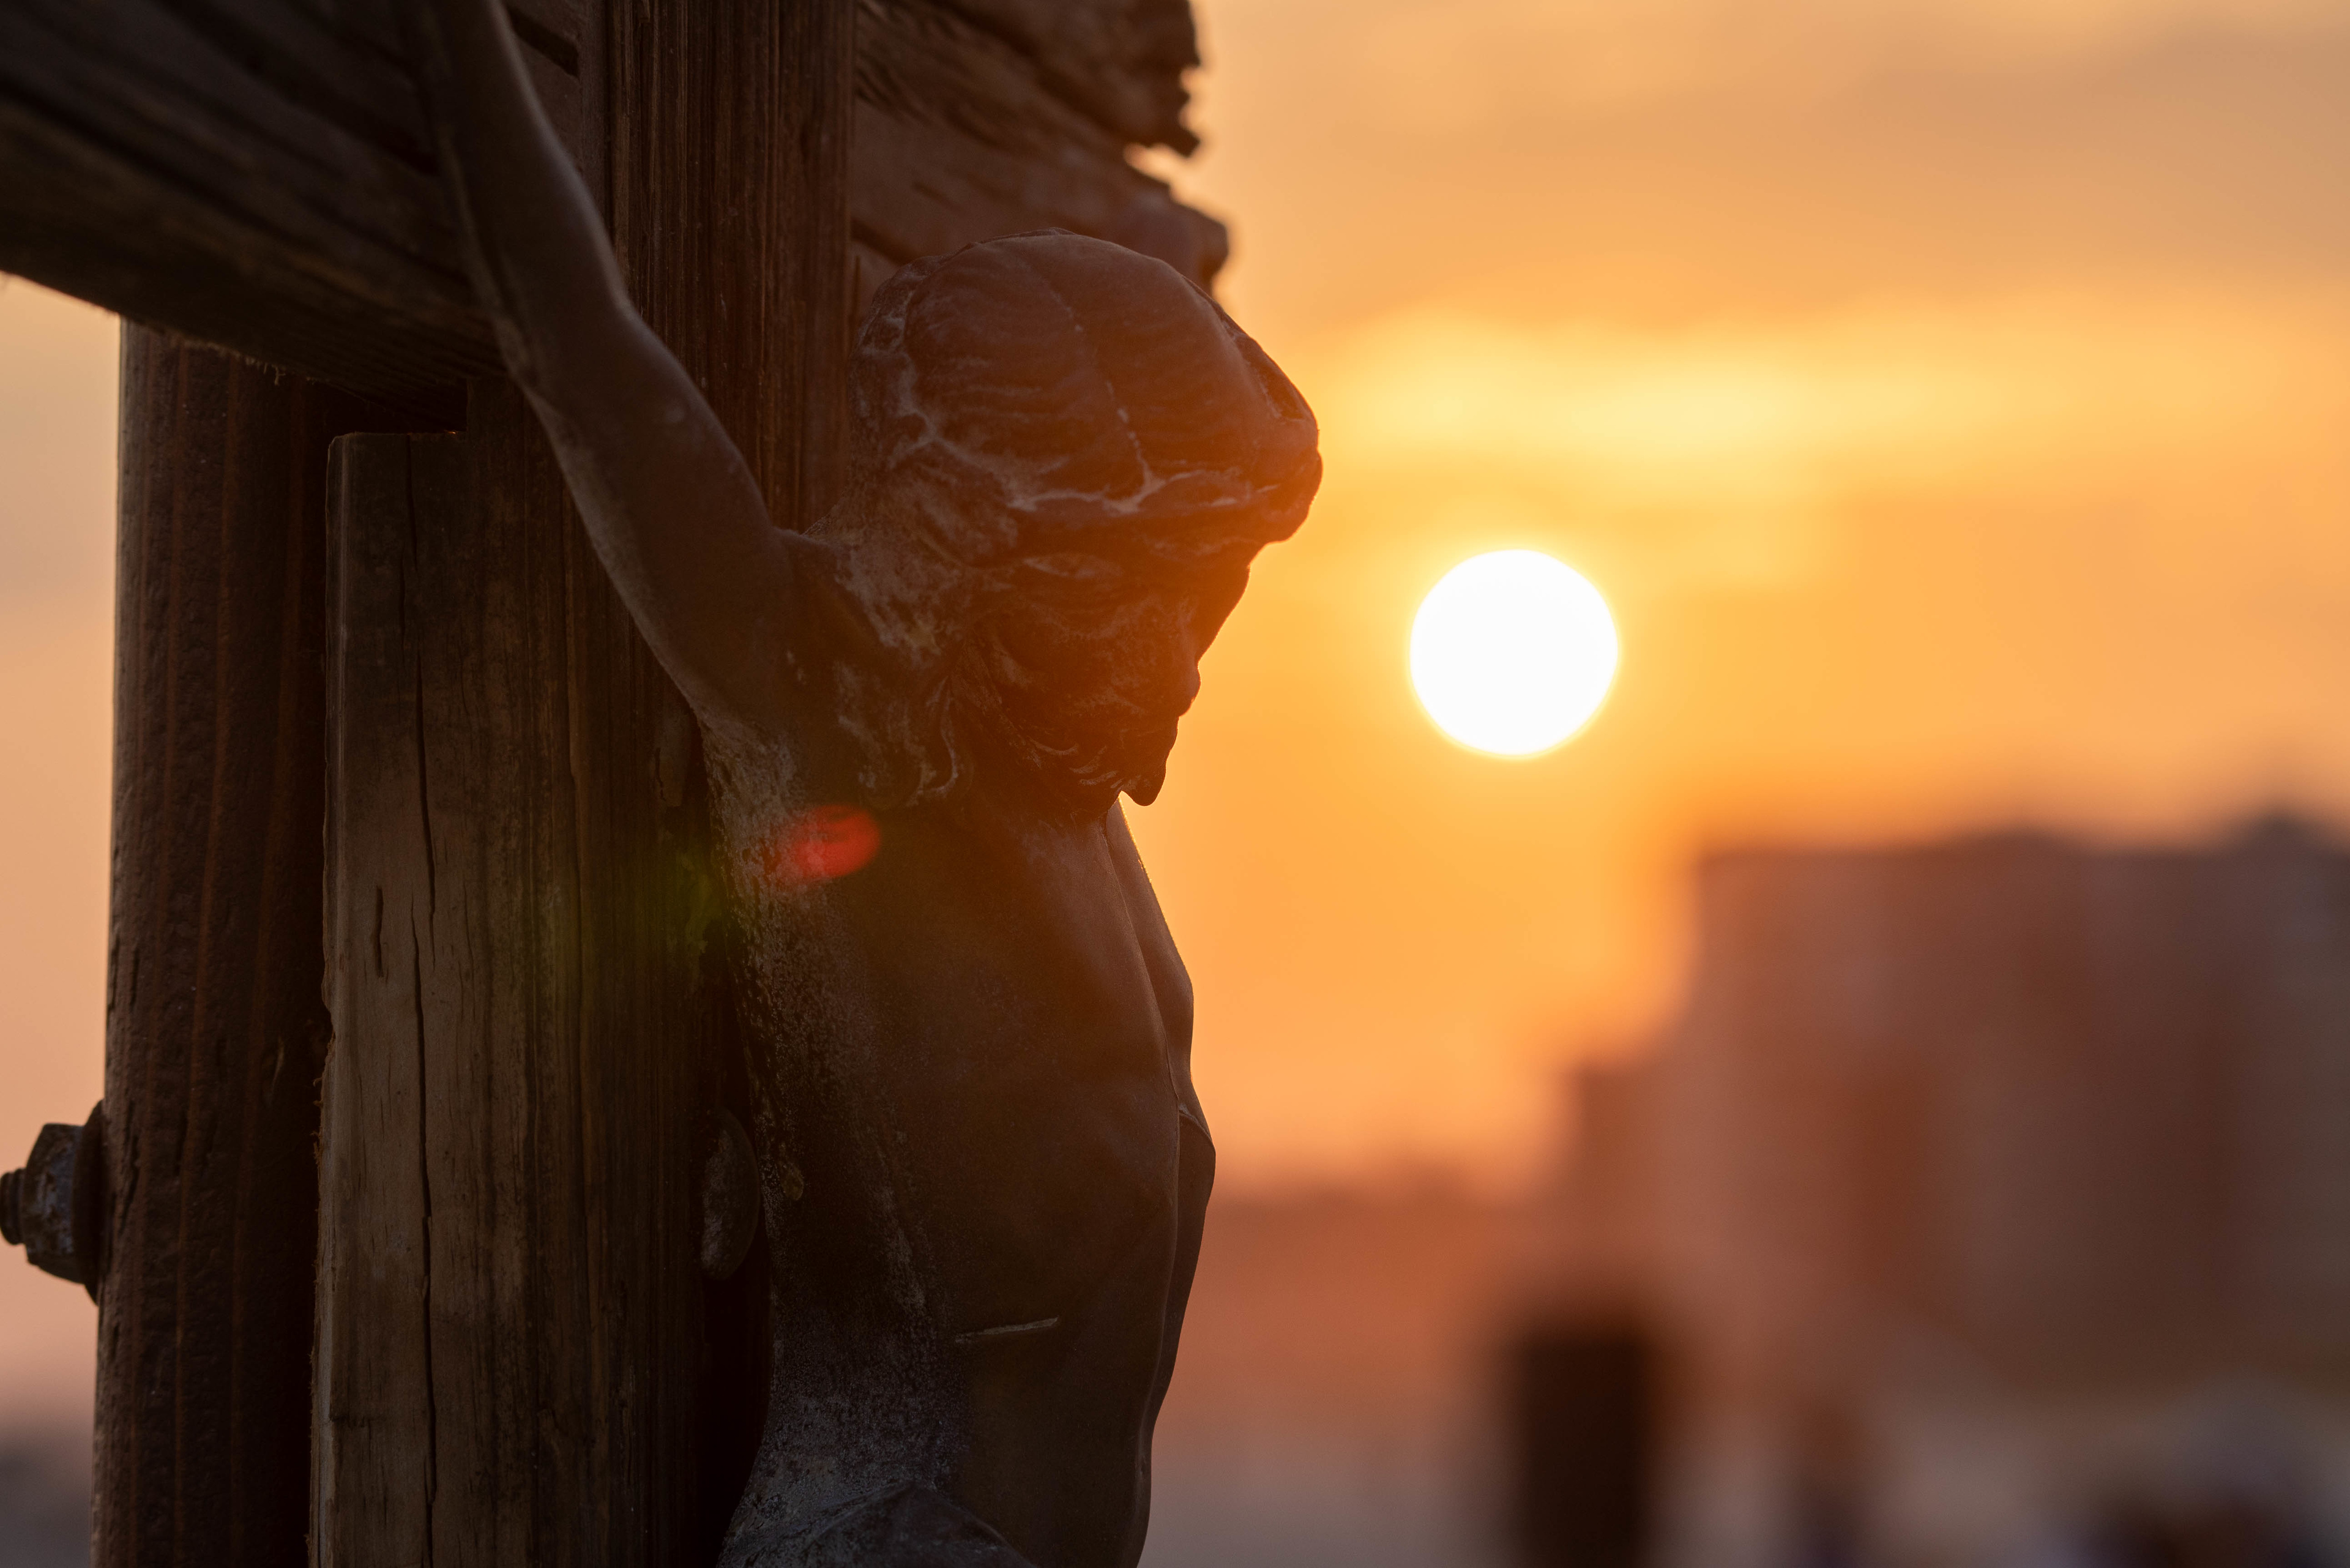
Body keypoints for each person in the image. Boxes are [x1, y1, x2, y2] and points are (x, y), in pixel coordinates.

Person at [412, 3, 1321, 1565]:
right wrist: (453, 41)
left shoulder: (1064, 798)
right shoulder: (845, 714)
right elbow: (597, 371)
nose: (1190, 655)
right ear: (1000, 559)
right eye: (1163, 593)